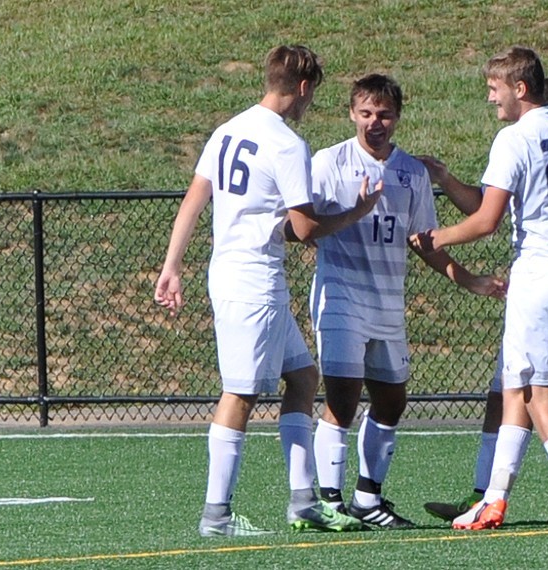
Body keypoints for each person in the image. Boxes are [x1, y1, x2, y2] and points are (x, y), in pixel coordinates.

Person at [154, 45, 382, 537]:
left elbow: (196, 198)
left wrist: (172, 265)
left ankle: (303, 501)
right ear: (302, 87)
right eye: (311, 94)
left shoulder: (229, 128)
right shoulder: (285, 143)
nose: (309, 104)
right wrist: (357, 212)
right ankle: (216, 514)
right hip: (252, 281)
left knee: (302, 376)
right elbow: (303, 228)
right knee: (239, 394)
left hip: (246, 276)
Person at [410, 48, 548, 531]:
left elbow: (487, 220)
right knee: (515, 389)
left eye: (494, 89)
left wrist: (435, 238)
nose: (491, 98)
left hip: (537, 279)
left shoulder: (513, 138)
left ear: (520, 89)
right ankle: (493, 500)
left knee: (538, 396)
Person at [304, 74, 506, 530]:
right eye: (366, 113)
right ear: (352, 113)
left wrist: (468, 279)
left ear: (397, 117)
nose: (375, 123)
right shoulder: (328, 162)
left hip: (388, 301)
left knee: (392, 398)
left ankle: (366, 498)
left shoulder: (410, 171)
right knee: (342, 396)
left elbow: (424, 242)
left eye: (385, 114)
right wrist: (345, 222)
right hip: (341, 297)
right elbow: (302, 225)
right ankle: (331, 500)